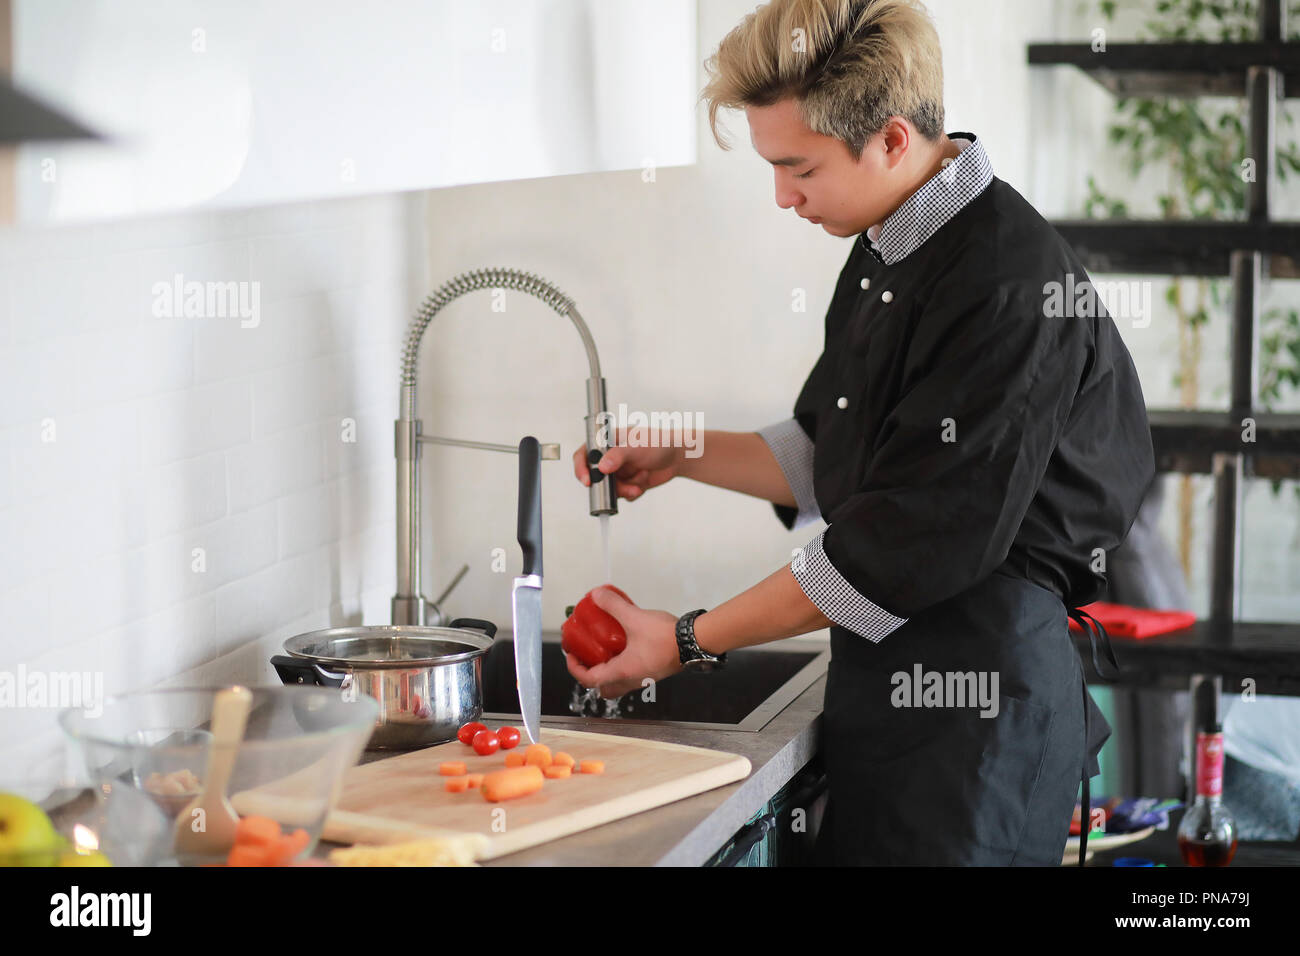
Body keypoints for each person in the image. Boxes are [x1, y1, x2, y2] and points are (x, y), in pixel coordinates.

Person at [565, 0, 1155, 865]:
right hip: (894, 697)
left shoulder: (1003, 285)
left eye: (797, 167)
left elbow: (895, 550)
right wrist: (682, 453)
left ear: (887, 139)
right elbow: (826, 454)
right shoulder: (893, 239)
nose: (782, 196)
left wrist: (685, 640)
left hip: (977, 727)